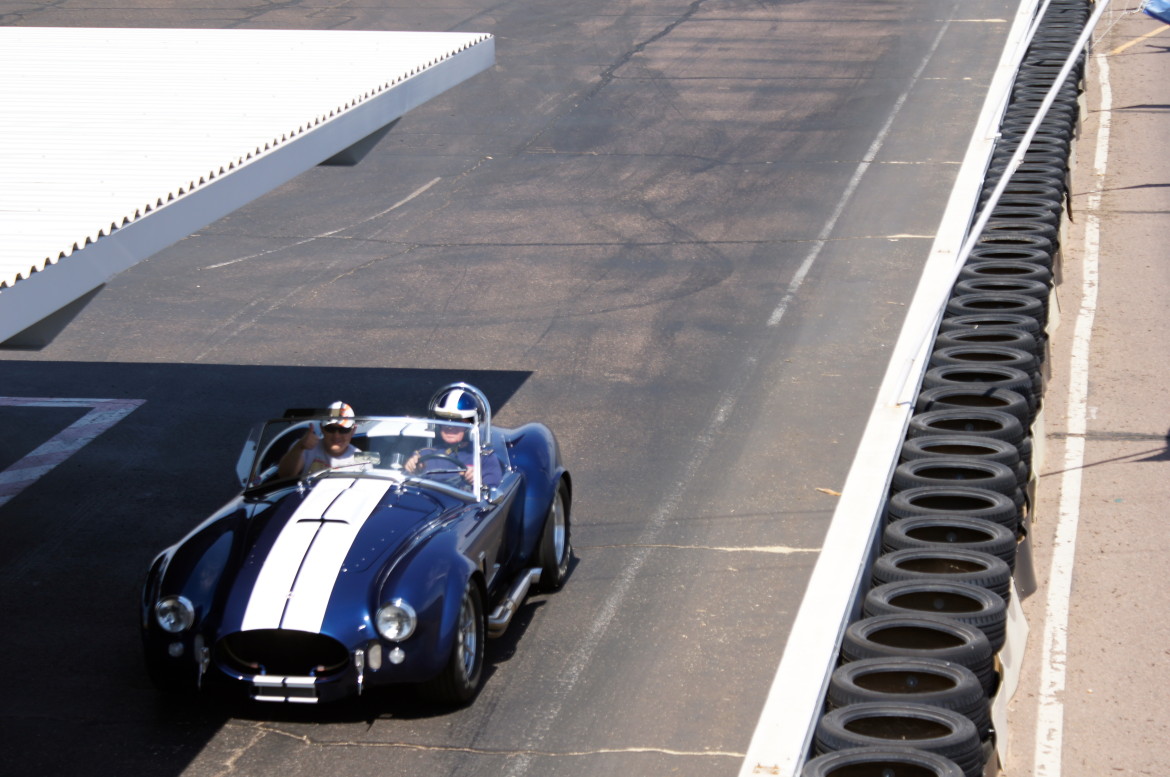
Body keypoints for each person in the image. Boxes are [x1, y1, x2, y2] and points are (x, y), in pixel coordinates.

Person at [404, 388, 502, 488]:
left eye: (458, 421)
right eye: (444, 420)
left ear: (471, 423)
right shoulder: (425, 455)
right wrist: (414, 468)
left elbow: (493, 493)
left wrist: (478, 482)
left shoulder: (484, 457)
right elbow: (405, 487)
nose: (450, 426)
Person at [277, 401, 360, 479]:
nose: (336, 435)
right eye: (330, 429)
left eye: (343, 430)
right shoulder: (305, 449)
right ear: (322, 428)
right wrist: (299, 447)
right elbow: (285, 475)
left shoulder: (361, 459)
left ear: (353, 430)